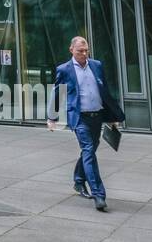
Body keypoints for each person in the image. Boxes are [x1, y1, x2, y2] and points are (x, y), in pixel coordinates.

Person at [47, 36, 125, 212]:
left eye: (86, 50)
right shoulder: (64, 70)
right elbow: (57, 93)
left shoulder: (96, 65)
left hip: (97, 116)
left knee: (90, 150)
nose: (84, 54)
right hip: (79, 118)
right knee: (89, 150)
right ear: (71, 50)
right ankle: (99, 194)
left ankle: (78, 180)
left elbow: (104, 92)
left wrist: (111, 116)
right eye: (80, 51)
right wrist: (52, 118)